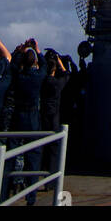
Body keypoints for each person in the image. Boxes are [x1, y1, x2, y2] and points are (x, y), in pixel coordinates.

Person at [8, 39, 47, 205]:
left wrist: (20, 51)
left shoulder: (18, 76)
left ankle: (6, 190)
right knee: (33, 156)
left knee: (11, 153)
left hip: (18, 114)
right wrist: (37, 50)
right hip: (32, 117)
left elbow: (12, 65)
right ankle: (31, 198)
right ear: (35, 63)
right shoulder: (38, 77)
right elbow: (44, 66)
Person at [39, 51, 70, 191]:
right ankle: (50, 182)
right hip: (53, 119)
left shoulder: (39, 80)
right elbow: (66, 74)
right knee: (52, 151)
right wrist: (59, 61)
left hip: (40, 118)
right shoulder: (56, 84)